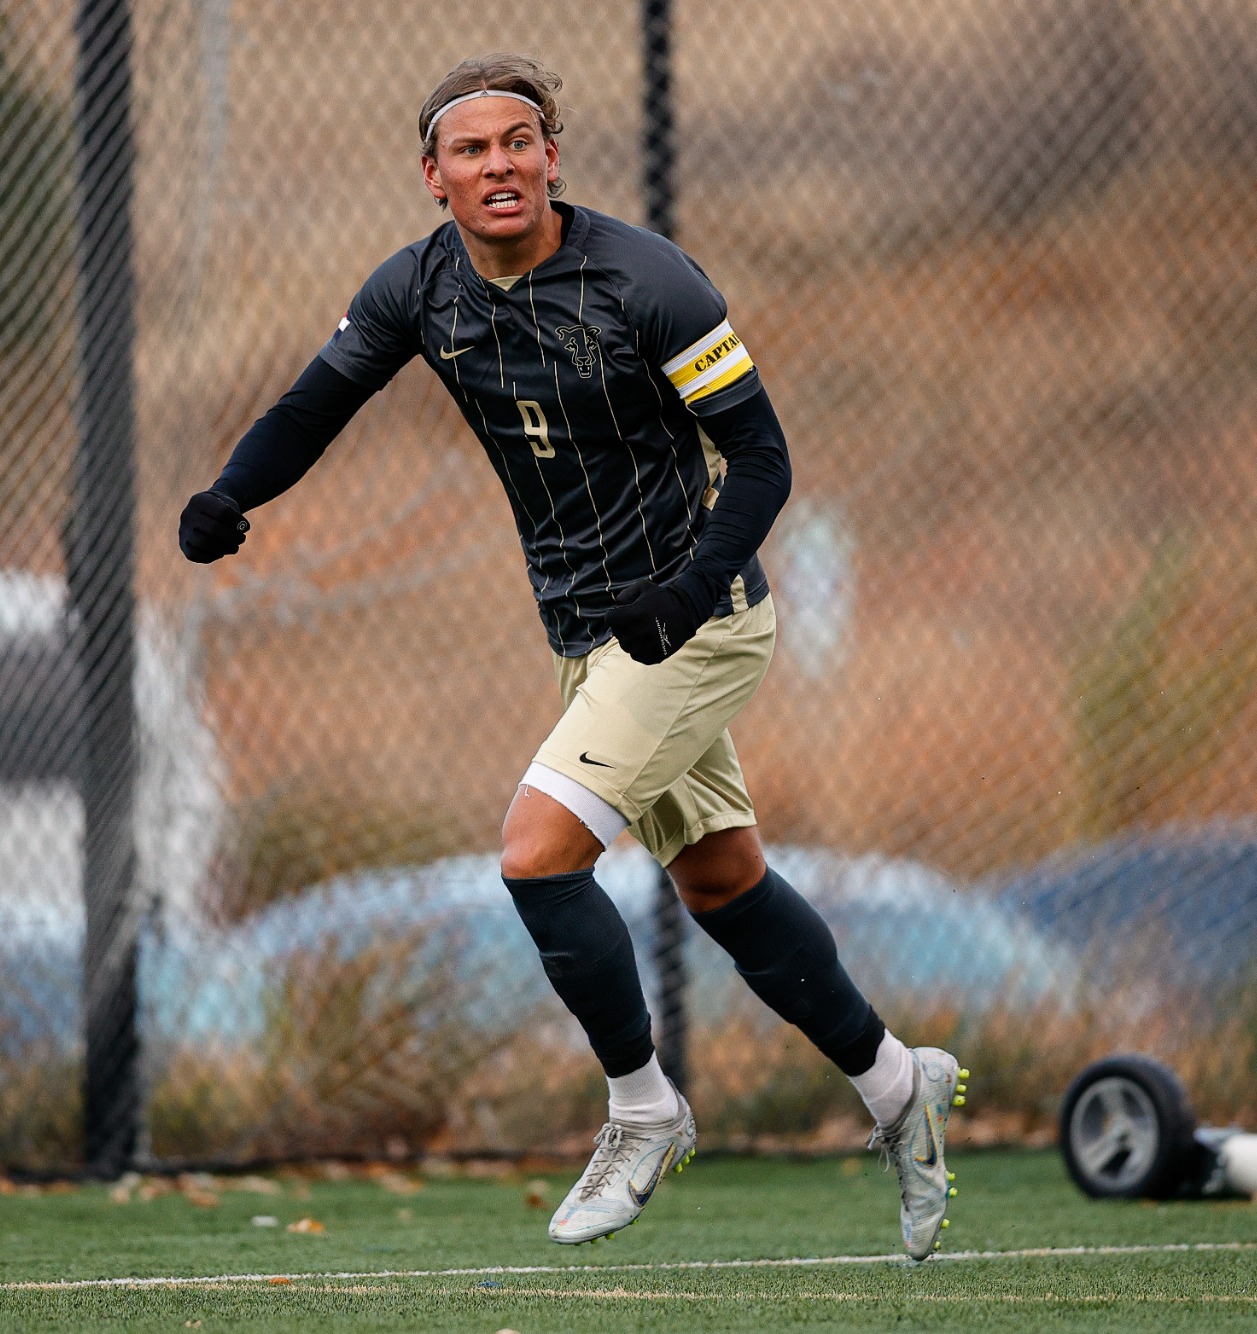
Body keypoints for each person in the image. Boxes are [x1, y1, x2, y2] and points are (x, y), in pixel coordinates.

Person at [178, 52, 966, 1259]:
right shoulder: (416, 288)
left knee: (536, 855)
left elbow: (760, 460)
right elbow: (314, 403)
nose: (497, 163)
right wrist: (232, 494)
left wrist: (689, 584)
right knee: (720, 884)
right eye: (470, 149)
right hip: (588, 635)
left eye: (518, 141)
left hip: (695, 616)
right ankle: (898, 1085)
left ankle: (643, 1112)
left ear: (552, 157)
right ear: (432, 175)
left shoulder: (646, 281)